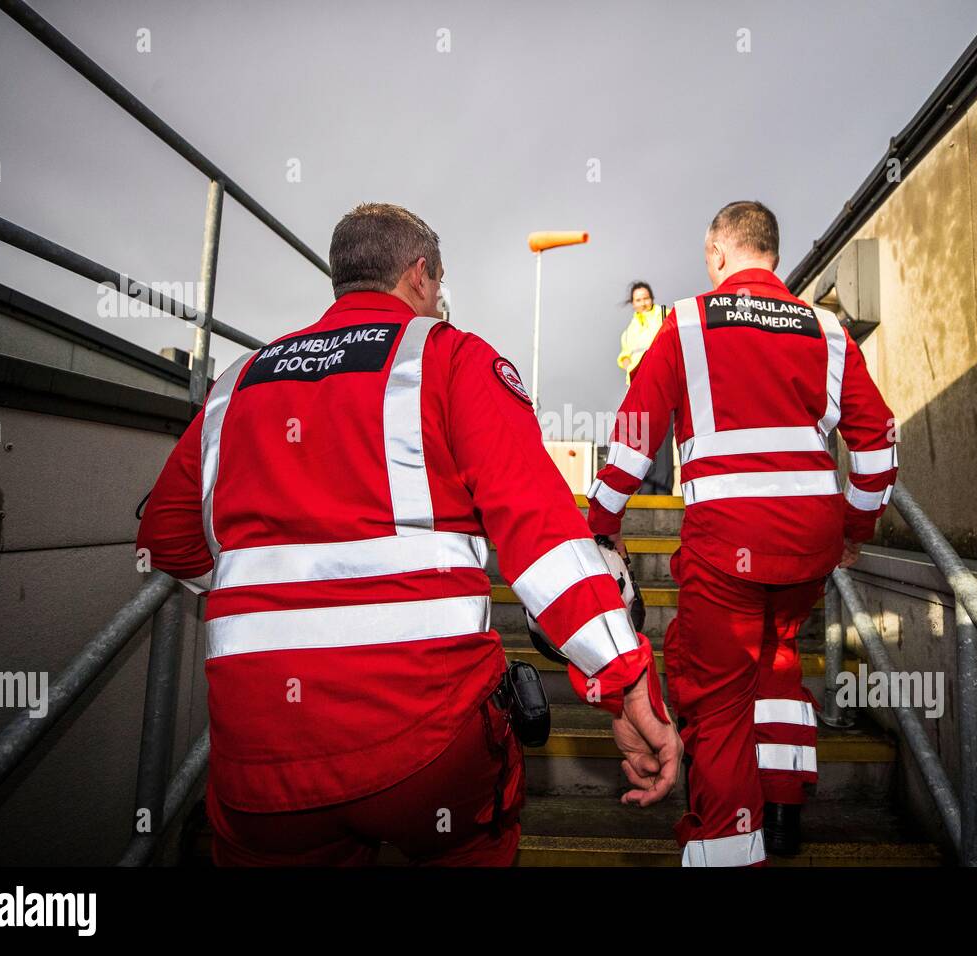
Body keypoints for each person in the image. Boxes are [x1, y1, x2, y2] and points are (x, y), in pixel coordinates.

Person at [136, 202, 682, 866]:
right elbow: (544, 540)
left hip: (261, 753)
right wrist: (624, 682)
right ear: (419, 276)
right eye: (438, 283)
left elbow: (165, 535)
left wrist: (269, 589)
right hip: (427, 739)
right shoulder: (450, 357)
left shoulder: (235, 385)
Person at [586, 201, 898, 866]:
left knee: (717, 696)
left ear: (718, 254)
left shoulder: (686, 322)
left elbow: (636, 439)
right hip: (808, 545)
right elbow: (876, 445)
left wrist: (603, 524)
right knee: (779, 656)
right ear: (774, 258)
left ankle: (728, 848)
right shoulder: (828, 330)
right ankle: (783, 809)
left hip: (726, 545)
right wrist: (854, 525)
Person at [616, 281, 674, 494]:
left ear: (652, 298)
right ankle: (645, 492)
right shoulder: (629, 330)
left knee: (663, 443)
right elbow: (625, 355)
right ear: (632, 303)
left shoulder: (664, 314)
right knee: (642, 445)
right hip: (639, 391)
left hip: (662, 388)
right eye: (638, 300)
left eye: (646, 298)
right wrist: (627, 365)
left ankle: (663, 492)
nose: (643, 303)